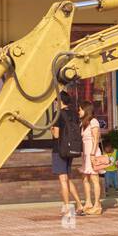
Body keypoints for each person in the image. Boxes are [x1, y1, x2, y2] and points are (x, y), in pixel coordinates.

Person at [50, 91, 81, 222]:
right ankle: (79, 204)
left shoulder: (58, 114)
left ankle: (68, 209)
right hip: (71, 149)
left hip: (59, 150)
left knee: (63, 180)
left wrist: (51, 128)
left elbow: (56, 135)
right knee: (68, 179)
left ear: (59, 101)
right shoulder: (74, 113)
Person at [78, 100, 104, 215]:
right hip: (85, 154)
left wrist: (93, 154)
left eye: (80, 109)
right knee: (85, 178)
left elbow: (96, 139)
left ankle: (97, 205)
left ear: (86, 110)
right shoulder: (83, 123)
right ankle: (88, 202)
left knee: (94, 179)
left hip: (92, 153)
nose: (78, 111)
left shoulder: (94, 122)